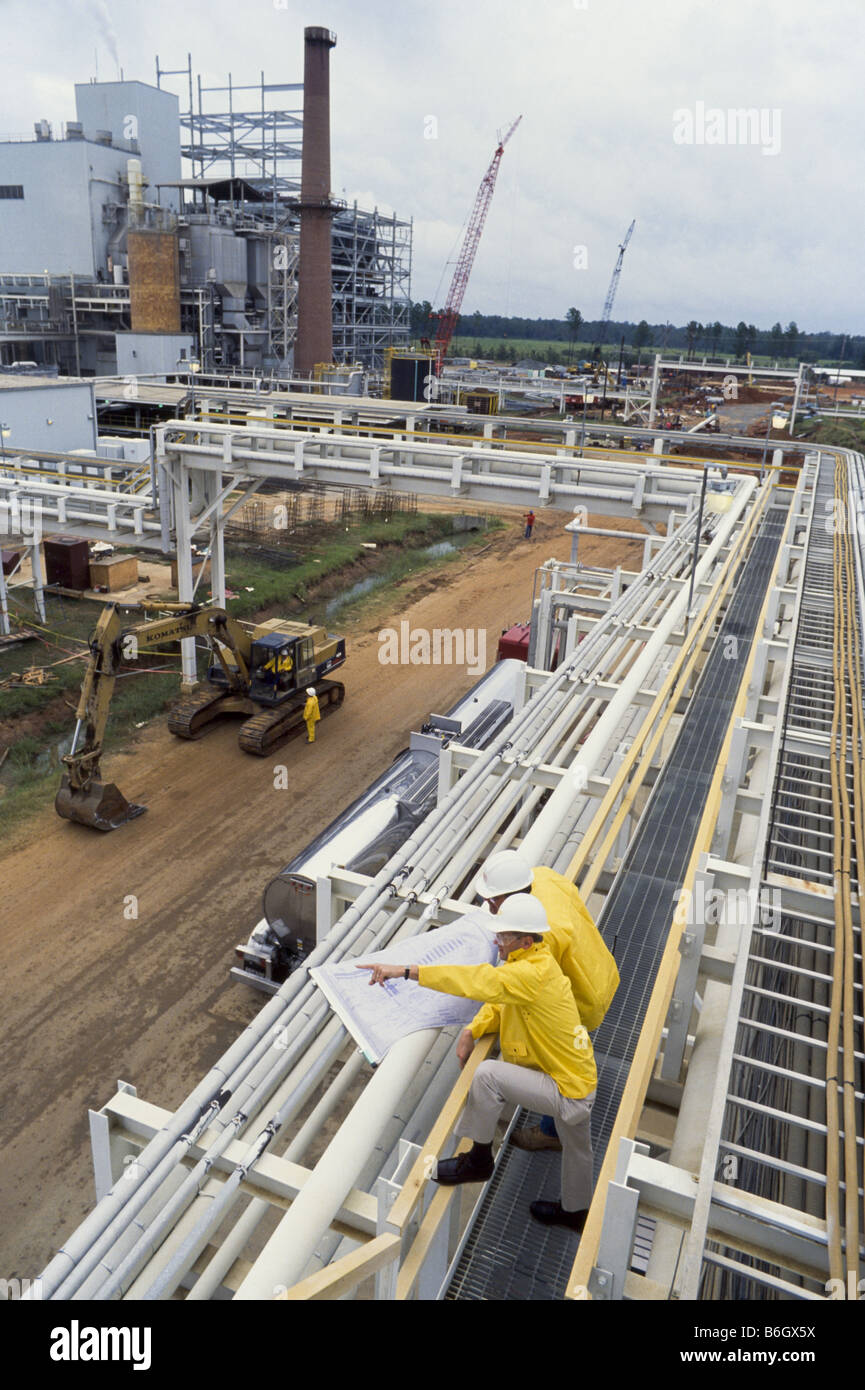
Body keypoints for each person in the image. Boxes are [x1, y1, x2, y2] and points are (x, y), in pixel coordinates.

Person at [358, 894, 597, 1231]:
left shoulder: (529, 975)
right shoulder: (538, 963)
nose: (497, 941)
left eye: (503, 937)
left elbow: (474, 981)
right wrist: (474, 1028)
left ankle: (479, 1159)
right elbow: (503, 999)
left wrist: (407, 970)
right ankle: (576, 1213)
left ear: (524, 941)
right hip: (582, 1077)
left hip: (567, 1090)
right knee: (578, 1149)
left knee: (487, 1075)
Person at [476, 849, 618, 1152]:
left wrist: (476, 1028)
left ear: (506, 897)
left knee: (556, 1063)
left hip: (581, 1001)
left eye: (492, 902)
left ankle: (554, 1133)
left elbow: (512, 986)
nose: (490, 909)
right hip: (598, 970)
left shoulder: (542, 936)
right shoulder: (543, 876)